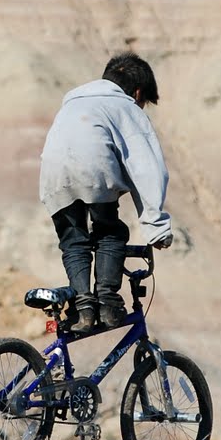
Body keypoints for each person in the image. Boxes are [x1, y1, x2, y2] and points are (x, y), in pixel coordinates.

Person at [39, 53, 173, 336]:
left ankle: (83, 307)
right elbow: (147, 167)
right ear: (137, 93)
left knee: (74, 240)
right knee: (109, 231)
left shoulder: (71, 103)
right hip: (92, 168)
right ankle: (108, 303)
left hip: (52, 175)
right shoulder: (124, 106)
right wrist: (156, 228)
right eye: (144, 101)